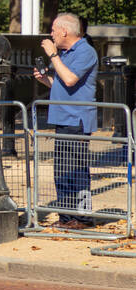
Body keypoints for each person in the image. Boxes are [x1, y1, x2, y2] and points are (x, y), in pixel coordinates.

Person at [33, 12, 98, 223]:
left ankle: (83, 218)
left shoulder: (86, 51)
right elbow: (61, 84)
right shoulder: (65, 53)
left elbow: (70, 79)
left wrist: (53, 55)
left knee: (77, 172)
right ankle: (66, 216)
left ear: (64, 31)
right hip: (62, 119)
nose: (51, 34)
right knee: (62, 172)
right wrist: (45, 79)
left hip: (77, 120)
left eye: (53, 30)